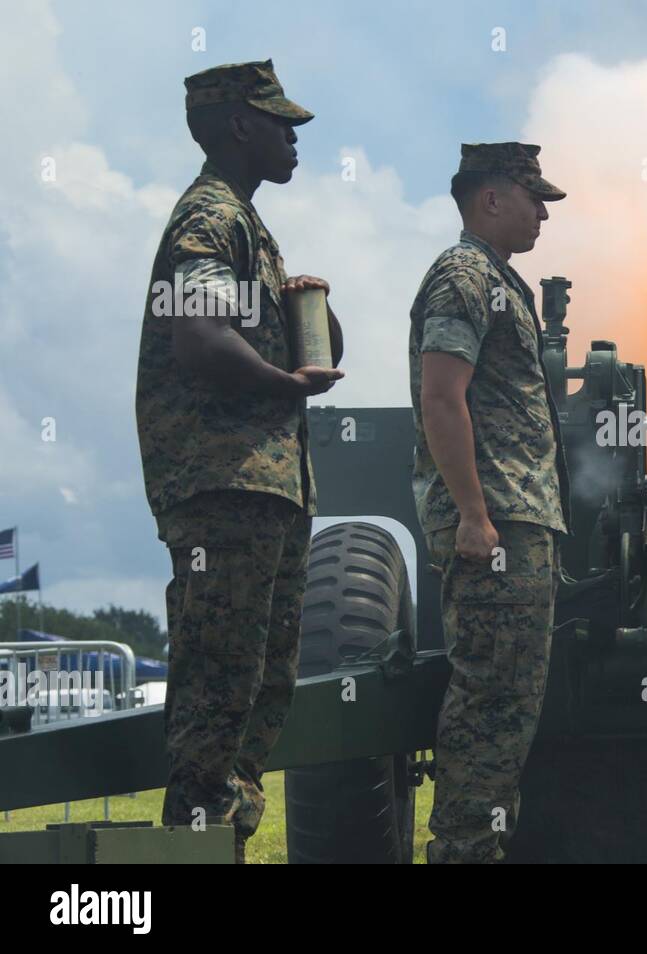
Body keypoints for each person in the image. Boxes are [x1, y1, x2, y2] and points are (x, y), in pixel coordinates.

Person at [135, 59, 344, 863]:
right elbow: (201, 338)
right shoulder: (208, 218)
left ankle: (217, 847)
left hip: (264, 490)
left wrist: (314, 323)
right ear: (237, 127)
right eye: (279, 121)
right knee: (218, 696)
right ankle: (187, 855)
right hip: (224, 488)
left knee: (258, 695)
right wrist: (286, 381)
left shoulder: (249, 229)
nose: (294, 137)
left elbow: (263, 340)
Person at [409, 142, 570, 863]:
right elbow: (442, 398)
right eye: (533, 197)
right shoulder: (463, 276)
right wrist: (475, 516)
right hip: (496, 522)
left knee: (510, 704)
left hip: (518, 518)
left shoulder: (501, 282)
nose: (543, 212)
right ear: (490, 199)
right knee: (491, 702)